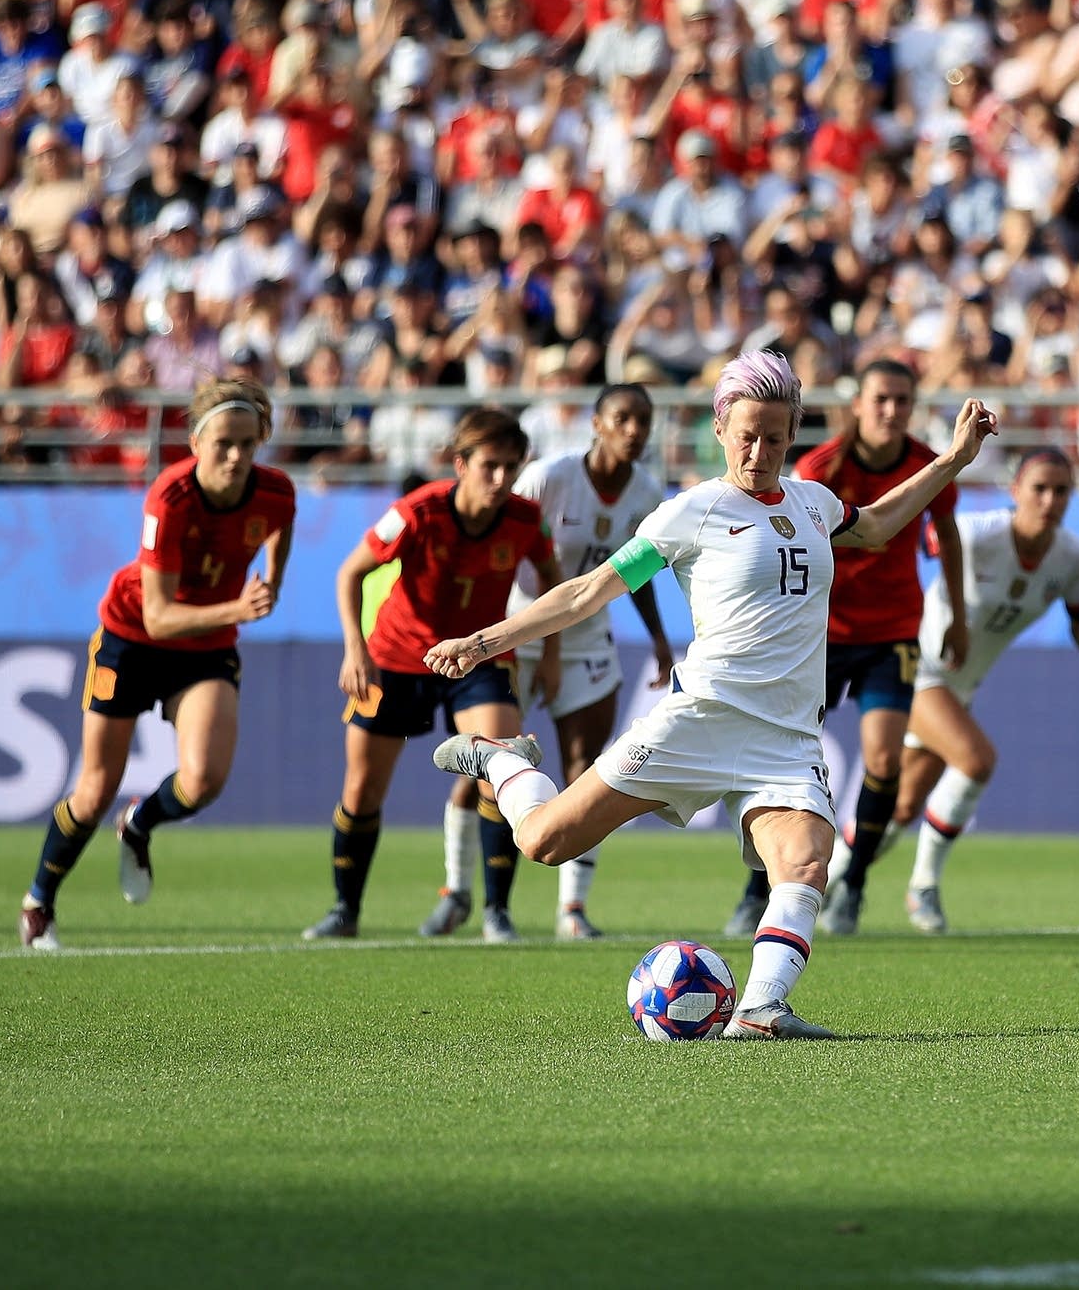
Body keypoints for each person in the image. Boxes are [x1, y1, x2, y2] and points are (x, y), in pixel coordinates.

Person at [422, 351, 998, 1038]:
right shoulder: (691, 512)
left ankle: (759, 1009)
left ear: (793, 437)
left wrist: (953, 460)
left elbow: (875, 523)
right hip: (698, 719)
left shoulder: (814, 504)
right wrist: (482, 641)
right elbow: (584, 592)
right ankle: (503, 760)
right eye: (747, 434)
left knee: (808, 859)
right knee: (545, 841)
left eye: (777, 438)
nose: (760, 451)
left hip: (785, 738)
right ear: (721, 428)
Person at [18, 380, 296, 950]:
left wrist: (273, 578)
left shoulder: (275, 491)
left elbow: (279, 527)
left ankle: (140, 823)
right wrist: (240, 606)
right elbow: (161, 617)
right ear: (196, 442)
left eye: (248, 443)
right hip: (132, 637)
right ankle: (39, 901)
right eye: (224, 443)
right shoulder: (170, 498)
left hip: (208, 645)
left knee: (204, 782)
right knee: (94, 791)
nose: (237, 456)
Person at [725, 358, 969, 939]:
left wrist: (956, 613)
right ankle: (760, 886)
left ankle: (854, 883)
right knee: (788, 760)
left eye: (902, 401)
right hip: (823, 636)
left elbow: (948, 536)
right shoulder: (820, 467)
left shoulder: (922, 465)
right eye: (881, 398)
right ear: (857, 403)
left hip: (893, 632)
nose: (891, 410)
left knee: (884, 761)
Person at [302, 408, 562, 944]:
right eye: (490, 465)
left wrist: (552, 654)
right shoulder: (417, 512)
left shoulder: (523, 518)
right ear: (460, 463)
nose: (501, 479)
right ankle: (344, 910)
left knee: (504, 760)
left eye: (511, 467)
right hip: (397, 658)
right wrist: (355, 649)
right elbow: (350, 571)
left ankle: (497, 913)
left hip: (477, 658)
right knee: (363, 789)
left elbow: (555, 580)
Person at [879, 450, 1079, 933]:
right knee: (977, 760)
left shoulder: (1071, 557)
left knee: (901, 807)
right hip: (919, 669)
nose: (1050, 500)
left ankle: (828, 885)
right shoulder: (978, 532)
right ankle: (923, 886)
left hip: (960, 687)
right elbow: (929, 537)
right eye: (1039, 489)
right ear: (1015, 491)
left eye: (1062, 490)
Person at [499, 385, 678, 939]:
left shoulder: (648, 493)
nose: (634, 430)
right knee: (491, 765)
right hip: (520, 630)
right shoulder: (548, 478)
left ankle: (571, 909)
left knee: (586, 769)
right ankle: (472, 898)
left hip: (587, 639)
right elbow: (501, 555)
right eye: (622, 418)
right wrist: (487, 637)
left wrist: (659, 638)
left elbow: (638, 573)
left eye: (643, 421)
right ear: (596, 424)